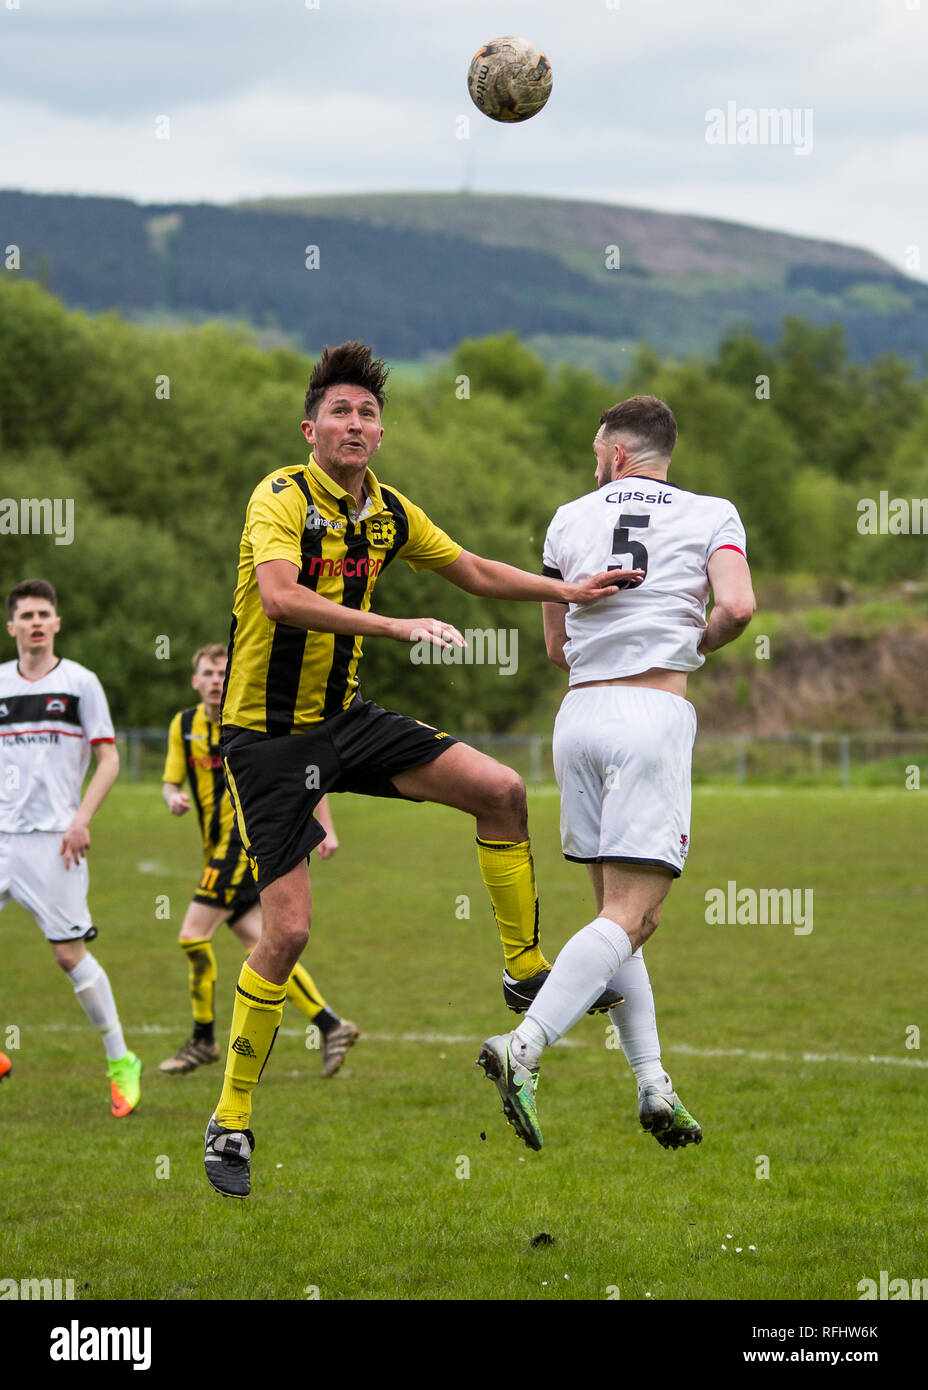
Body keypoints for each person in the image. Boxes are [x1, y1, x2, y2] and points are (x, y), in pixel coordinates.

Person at [204, 340, 642, 1196]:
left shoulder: (391, 512)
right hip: (268, 738)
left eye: (368, 412)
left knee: (501, 791)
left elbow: (472, 569)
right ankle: (230, 1124)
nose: (356, 423)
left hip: (346, 721)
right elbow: (279, 597)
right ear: (311, 427)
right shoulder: (281, 496)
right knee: (286, 933)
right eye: (340, 411)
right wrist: (398, 625)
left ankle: (523, 971)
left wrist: (569, 593)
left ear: (380, 431)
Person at [477, 395, 755, 1151]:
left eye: (596, 452)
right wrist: (696, 638)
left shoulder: (569, 517)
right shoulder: (711, 512)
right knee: (629, 916)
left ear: (619, 455)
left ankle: (654, 1085)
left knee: (626, 920)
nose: (592, 464)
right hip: (649, 714)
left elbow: (557, 647)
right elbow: (739, 606)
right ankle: (523, 1046)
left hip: (579, 721)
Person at [160, 644, 358, 1078]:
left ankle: (203, 1038)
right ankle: (331, 1025)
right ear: (195, 681)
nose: (215, 680)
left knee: (193, 937)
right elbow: (171, 780)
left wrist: (327, 825)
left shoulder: (252, 716)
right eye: (207, 673)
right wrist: (172, 796)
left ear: (234, 676)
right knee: (262, 944)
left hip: (243, 844)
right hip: (216, 851)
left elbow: (307, 772)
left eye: (221, 672)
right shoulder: (184, 725)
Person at [0, 579, 141, 1117]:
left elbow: (108, 759)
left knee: (68, 954)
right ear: (11, 626)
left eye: (44, 613)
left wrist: (82, 819)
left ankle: (121, 1061)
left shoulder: (81, 683)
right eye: (26, 615)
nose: (36, 622)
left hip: (54, 841)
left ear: (56, 623)